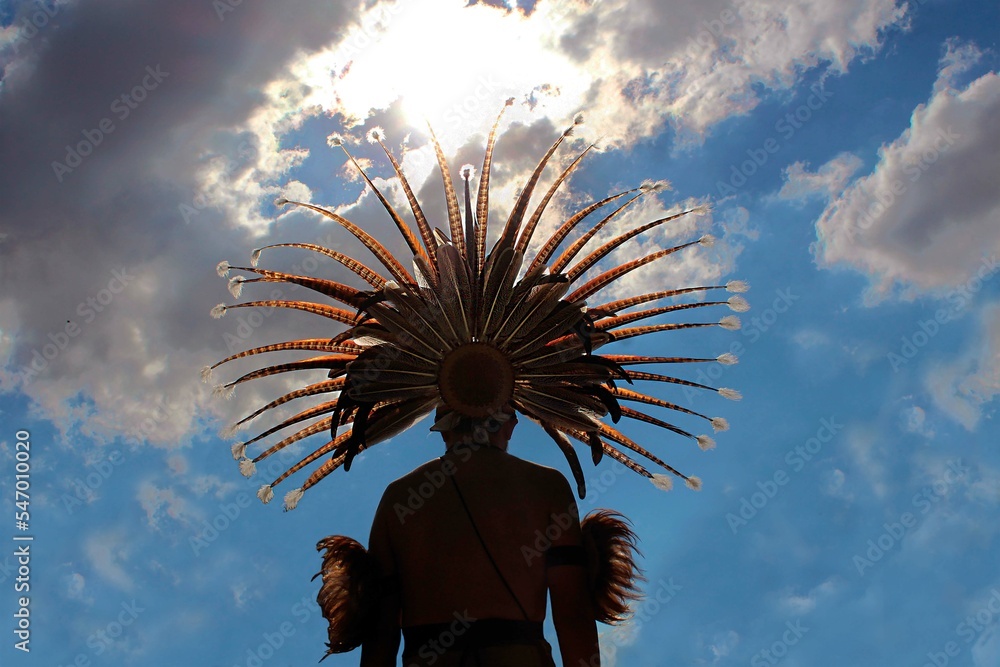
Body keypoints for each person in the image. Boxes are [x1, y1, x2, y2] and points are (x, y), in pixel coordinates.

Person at [360, 407, 601, 667]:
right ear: (511, 426)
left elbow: (380, 631)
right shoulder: (548, 486)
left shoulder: (398, 498)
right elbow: (573, 614)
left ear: (443, 430)